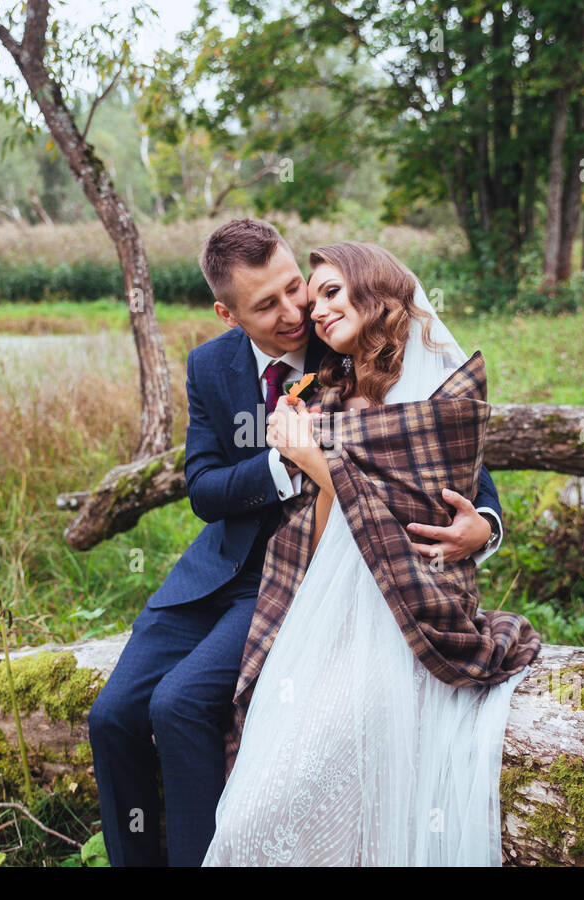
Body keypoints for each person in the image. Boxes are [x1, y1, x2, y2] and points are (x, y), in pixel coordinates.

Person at [86, 220, 507, 866]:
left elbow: (440, 438)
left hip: (303, 579)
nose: (294, 314)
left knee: (179, 705)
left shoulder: (344, 334)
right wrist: (285, 463)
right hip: (215, 570)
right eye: (267, 305)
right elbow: (204, 487)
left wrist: (483, 518)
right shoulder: (211, 364)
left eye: (294, 290)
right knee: (111, 715)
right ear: (228, 313)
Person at [202, 241, 541, 866]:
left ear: (372, 289)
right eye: (314, 293)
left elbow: (427, 496)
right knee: (257, 794)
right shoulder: (330, 383)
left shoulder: (431, 377)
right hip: (331, 588)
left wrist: (485, 527)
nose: (310, 309)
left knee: (333, 760)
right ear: (231, 313)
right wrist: (305, 465)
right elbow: (329, 517)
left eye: (328, 291)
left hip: (404, 597)